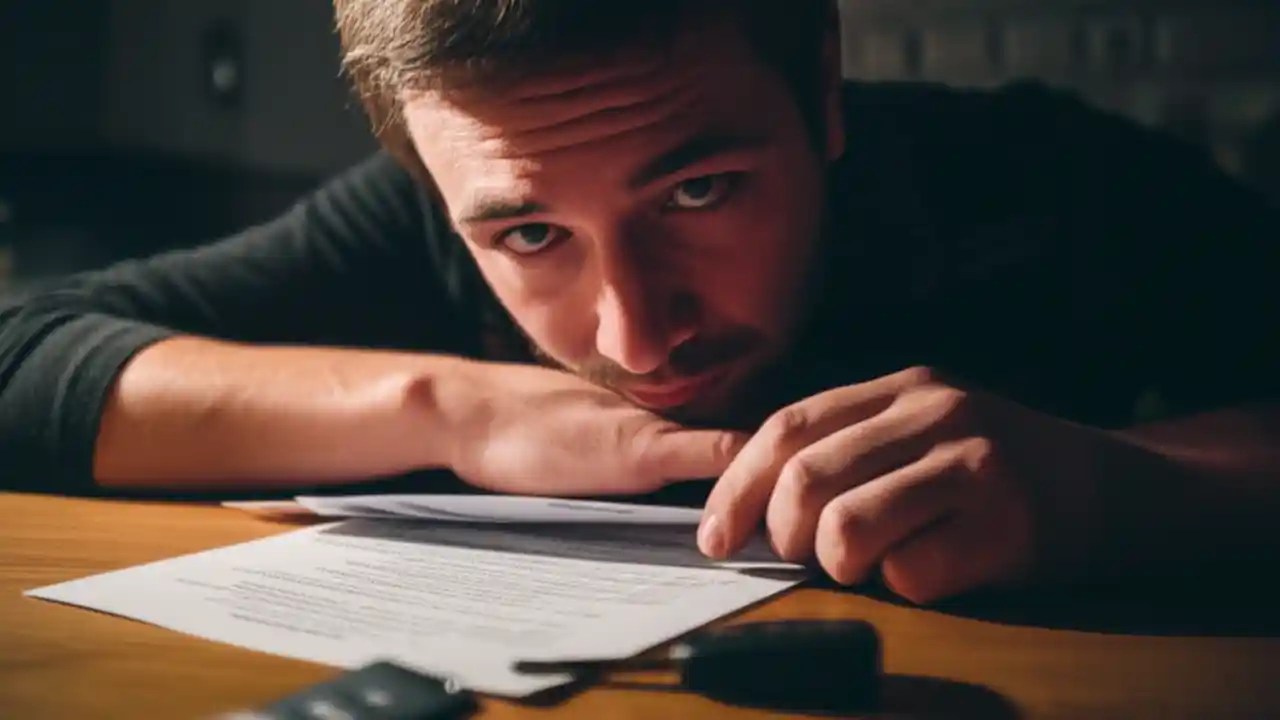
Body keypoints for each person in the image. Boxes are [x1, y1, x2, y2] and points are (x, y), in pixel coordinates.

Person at [1, 0, 1278, 605]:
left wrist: (1121, 490)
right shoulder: (414, 229)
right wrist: (453, 406)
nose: (631, 336)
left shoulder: (1042, 177)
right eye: (530, 234)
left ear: (823, 93)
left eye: (700, 191)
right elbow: (22, 354)